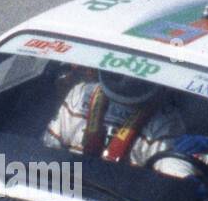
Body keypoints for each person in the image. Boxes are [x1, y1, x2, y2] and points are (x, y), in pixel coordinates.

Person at [43, 71, 195, 178]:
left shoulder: (166, 122)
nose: (125, 78)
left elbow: (177, 182)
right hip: (70, 186)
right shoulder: (81, 94)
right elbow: (47, 151)